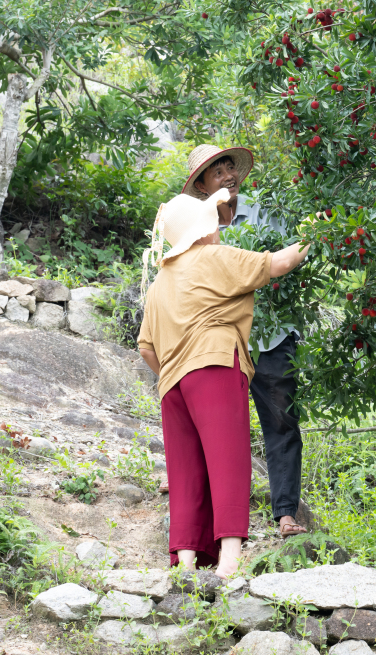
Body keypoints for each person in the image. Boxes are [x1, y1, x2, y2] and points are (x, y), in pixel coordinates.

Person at [137, 188, 310, 577]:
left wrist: (175, 367)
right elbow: (279, 263)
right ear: (202, 230)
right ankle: (229, 561)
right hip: (214, 364)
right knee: (228, 459)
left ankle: (185, 562)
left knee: (186, 471)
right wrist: (321, 231)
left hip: (172, 385)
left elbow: (146, 348)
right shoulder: (213, 257)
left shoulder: (160, 281)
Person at [182, 144, 311, 537]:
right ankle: (207, 516)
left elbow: (297, 250)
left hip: (271, 338)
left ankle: (286, 513)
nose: (227, 175)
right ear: (202, 186)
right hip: (219, 340)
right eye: (215, 172)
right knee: (217, 426)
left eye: (228, 168)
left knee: (281, 423)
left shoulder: (265, 208)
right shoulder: (195, 227)